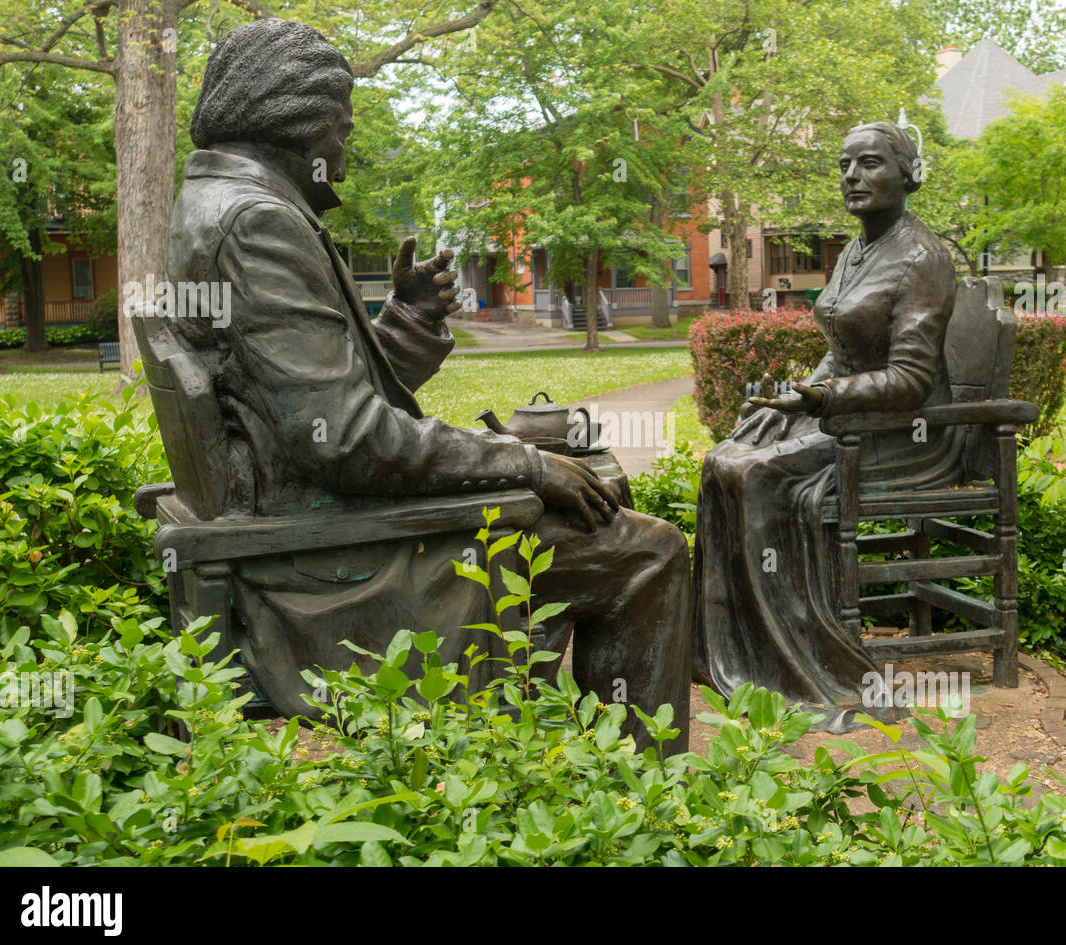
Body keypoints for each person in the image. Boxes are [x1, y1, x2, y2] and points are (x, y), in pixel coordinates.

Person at [162, 18, 691, 751]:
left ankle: (556, 762)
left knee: (596, 489)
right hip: (326, 561)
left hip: (303, 516)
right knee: (646, 553)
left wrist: (408, 318)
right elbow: (343, 439)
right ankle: (641, 798)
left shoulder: (212, 205)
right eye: (340, 129)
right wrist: (525, 462)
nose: (342, 155)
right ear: (300, 120)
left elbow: (313, 408)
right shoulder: (257, 222)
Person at [693, 122, 963, 731]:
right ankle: (735, 649)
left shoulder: (924, 257)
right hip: (850, 416)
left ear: (907, 174)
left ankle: (796, 665)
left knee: (758, 475)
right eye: (845, 165)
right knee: (724, 458)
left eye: (869, 164)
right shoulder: (855, 252)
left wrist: (818, 400)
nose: (851, 176)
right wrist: (790, 398)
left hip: (907, 433)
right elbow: (840, 352)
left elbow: (910, 382)